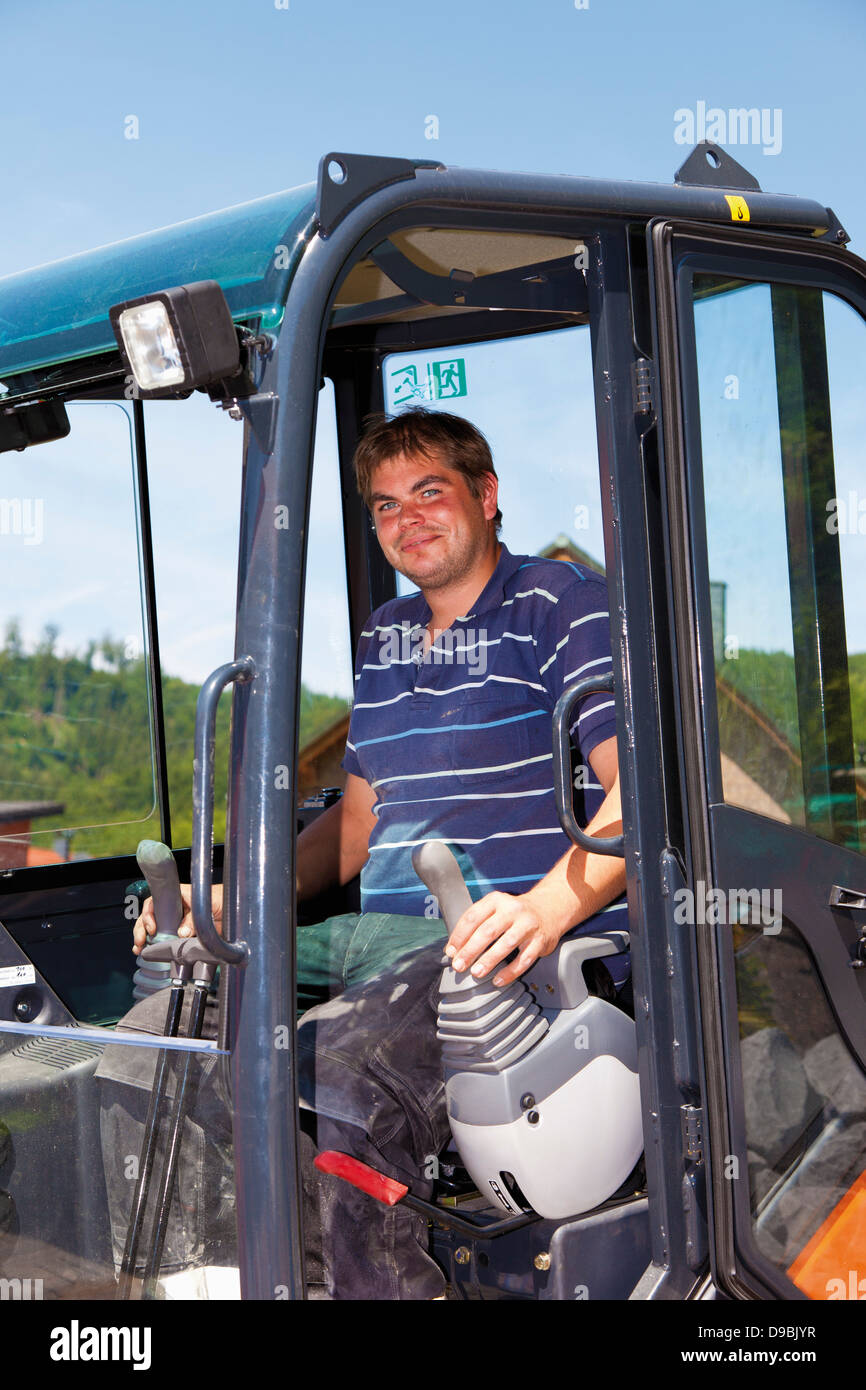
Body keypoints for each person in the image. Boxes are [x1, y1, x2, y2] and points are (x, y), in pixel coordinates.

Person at [122, 407, 627, 1298]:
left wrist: (541, 911)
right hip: (377, 940)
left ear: (487, 495)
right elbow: (354, 832)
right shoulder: (386, 638)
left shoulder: (557, 603)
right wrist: (233, 907)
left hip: (493, 943)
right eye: (387, 505)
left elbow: (641, 794)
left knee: (342, 1068)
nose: (409, 518)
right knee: (165, 1023)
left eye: (430, 491)